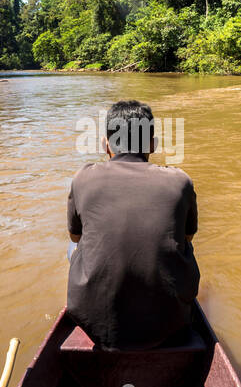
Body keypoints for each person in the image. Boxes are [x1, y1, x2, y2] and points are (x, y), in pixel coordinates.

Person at [65, 100, 200, 350]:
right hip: (170, 325)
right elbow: (188, 238)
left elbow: (75, 237)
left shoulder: (83, 177)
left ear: (106, 144)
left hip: (94, 325)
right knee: (183, 243)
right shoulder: (180, 181)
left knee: (72, 248)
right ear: (152, 144)